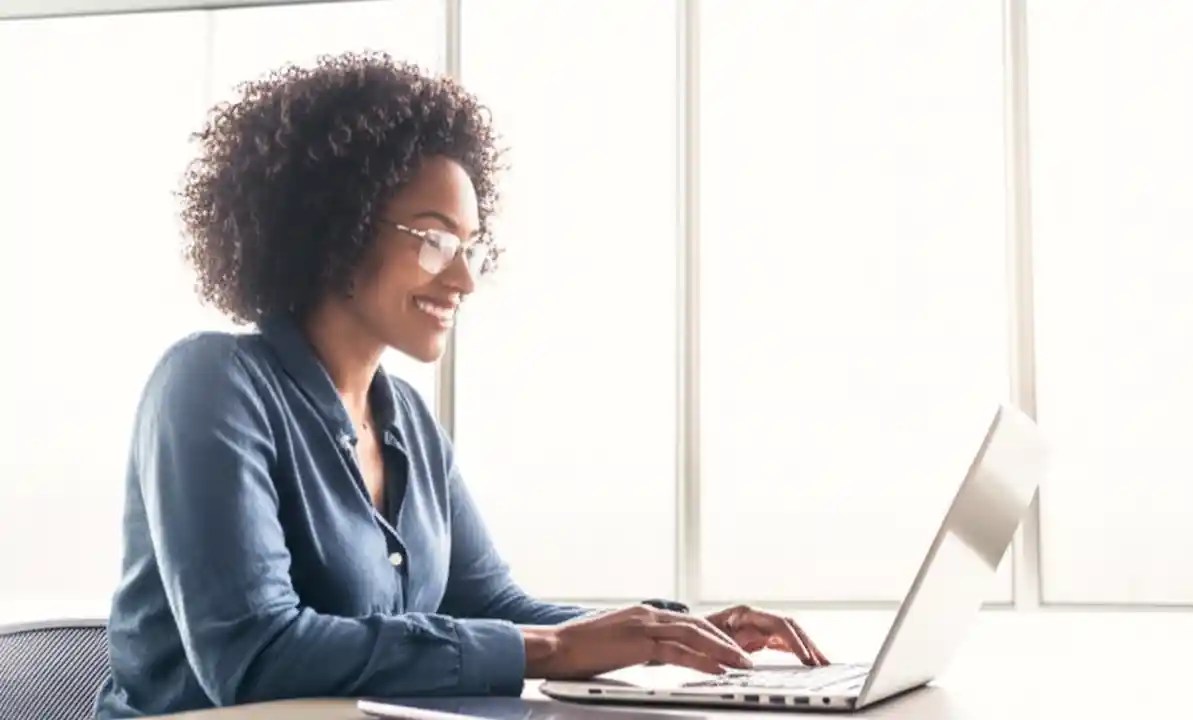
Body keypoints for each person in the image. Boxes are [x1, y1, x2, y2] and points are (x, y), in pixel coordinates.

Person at [95, 52, 828, 719]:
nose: (465, 278)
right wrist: (551, 652)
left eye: (473, 247)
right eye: (437, 240)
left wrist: (669, 630)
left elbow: (489, 604)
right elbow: (253, 657)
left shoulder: (405, 419)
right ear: (337, 229)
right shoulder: (211, 385)